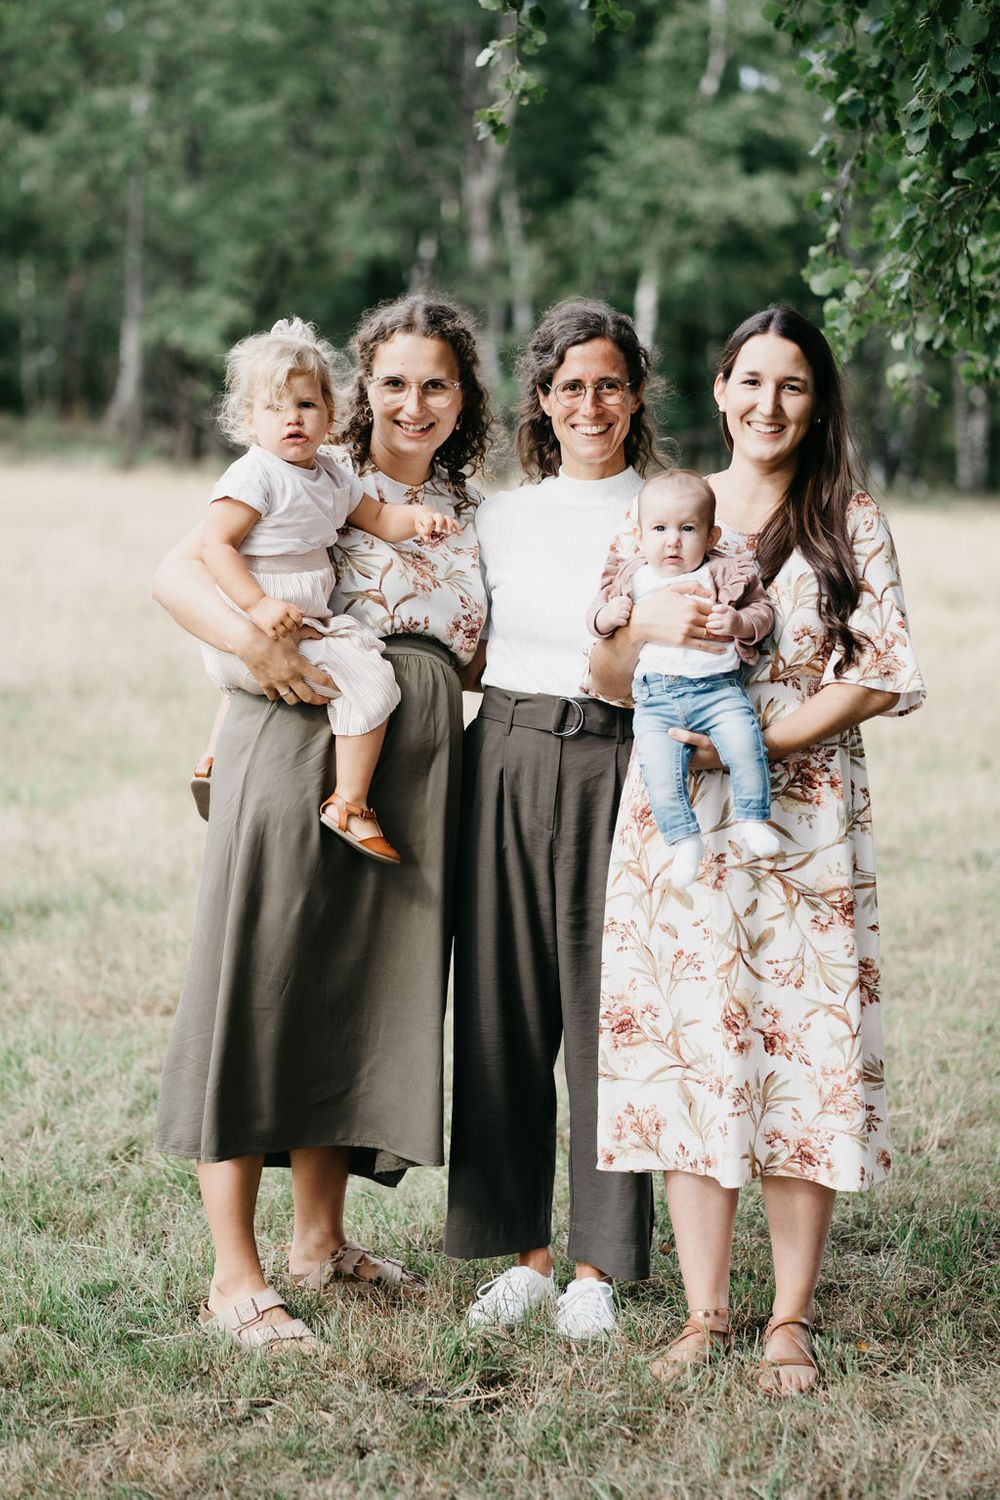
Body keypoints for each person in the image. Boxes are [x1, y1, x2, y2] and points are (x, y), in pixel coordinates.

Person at [587, 306, 924, 1393]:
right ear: (719, 388)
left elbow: (883, 670)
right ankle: (701, 1313)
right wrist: (650, 651)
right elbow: (601, 671)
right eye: (749, 380)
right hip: (674, 816)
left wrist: (760, 743)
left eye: (791, 384)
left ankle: (785, 1317)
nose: (767, 404)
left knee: (799, 1046)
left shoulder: (846, 520)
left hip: (803, 815)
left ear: (815, 400)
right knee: (693, 1041)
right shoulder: (663, 513)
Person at [153, 295, 491, 1349]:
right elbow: (181, 568)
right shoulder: (298, 471)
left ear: (463, 396)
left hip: (405, 772)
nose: (414, 401)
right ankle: (234, 1276)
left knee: (343, 990)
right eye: (393, 380)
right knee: (257, 982)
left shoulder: (468, 506)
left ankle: (318, 1241)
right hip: (297, 740)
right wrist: (254, 654)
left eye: (437, 382)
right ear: (360, 390)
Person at [444, 298, 657, 1341]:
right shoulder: (501, 514)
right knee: (500, 1011)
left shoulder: (665, 507)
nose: (591, 403)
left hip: (622, 759)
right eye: (571, 386)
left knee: (609, 1013)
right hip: (507, 754)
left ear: (636, 395)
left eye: (609, 384)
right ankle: (521, 1253)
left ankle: (595, 1270)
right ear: (541, 398)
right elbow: (461, 645)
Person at [196, 316, 458, 864]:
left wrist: (422, 521)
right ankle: (350, 802)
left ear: (329, 415)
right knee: (370, 681)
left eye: (306, 405)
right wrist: (256, 606)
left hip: (301, 621)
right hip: (254, 626)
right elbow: (216, 547)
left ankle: (213, 760)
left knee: (348, 647)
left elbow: (381, 519)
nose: (292, 418)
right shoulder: (255, 475)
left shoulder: (334, 477)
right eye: (275, 407)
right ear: (247, 419)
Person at [589, 468, 778, 887]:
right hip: (656, 699)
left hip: (718, 691)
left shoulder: (724, 573)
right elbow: (594, 619)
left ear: (711, 537)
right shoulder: (631, 577)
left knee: (746, 745)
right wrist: (610, 617)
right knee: (658, 770)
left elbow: (764, 613)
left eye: (687, 528)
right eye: (659, 528)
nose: (672, 540)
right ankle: (683, 839)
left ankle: (751, 816)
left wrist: (741, 622)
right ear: (640, 536)